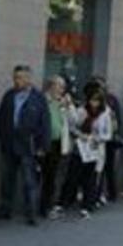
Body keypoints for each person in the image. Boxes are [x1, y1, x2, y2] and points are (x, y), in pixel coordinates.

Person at [0, 65, 50, 225]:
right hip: (9, 145)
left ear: (28, 78)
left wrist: (42, 147)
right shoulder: (9, 96)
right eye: (15, 77)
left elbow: (45, 124)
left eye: (20, 78)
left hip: (28, 146)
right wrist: (2, 139)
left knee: (29, 181)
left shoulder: (38, 98)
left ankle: (31, 212)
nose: (16, 81)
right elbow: (1, 118)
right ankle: (5, 208)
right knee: (7, 179)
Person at [52, 81, 112, 220]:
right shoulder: (82, 111)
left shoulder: (105, 114)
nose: (94, 104)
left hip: (94, 150)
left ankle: (87, 206)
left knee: (90, 179)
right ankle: (62, 203)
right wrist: (80, 135)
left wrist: (97, 138)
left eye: (97, 101)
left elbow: (108, 133)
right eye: (92, 100)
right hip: (80, 148)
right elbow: (73, 125)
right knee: (72, 177)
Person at [38, 76, 73, 218]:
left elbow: (73, 121)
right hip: (44, 142)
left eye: (63, 87)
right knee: (41, 175)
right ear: (51, 86)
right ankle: (37, 205)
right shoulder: (43, 100)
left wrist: (69, 107)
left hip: (58, 142)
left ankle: (46, 206)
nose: (62, 90)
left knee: (51, 176)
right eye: (59, 86)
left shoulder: (63, 103)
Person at [90, 75, 123, 203]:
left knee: (108, 166)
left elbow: (116, 119)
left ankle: (110, 192)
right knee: (95, 168)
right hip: (94, 138)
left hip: (108, 138)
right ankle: (96, 193)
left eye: (100, 85)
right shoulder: (91, 98)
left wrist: (115, 132)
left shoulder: (111, 100)